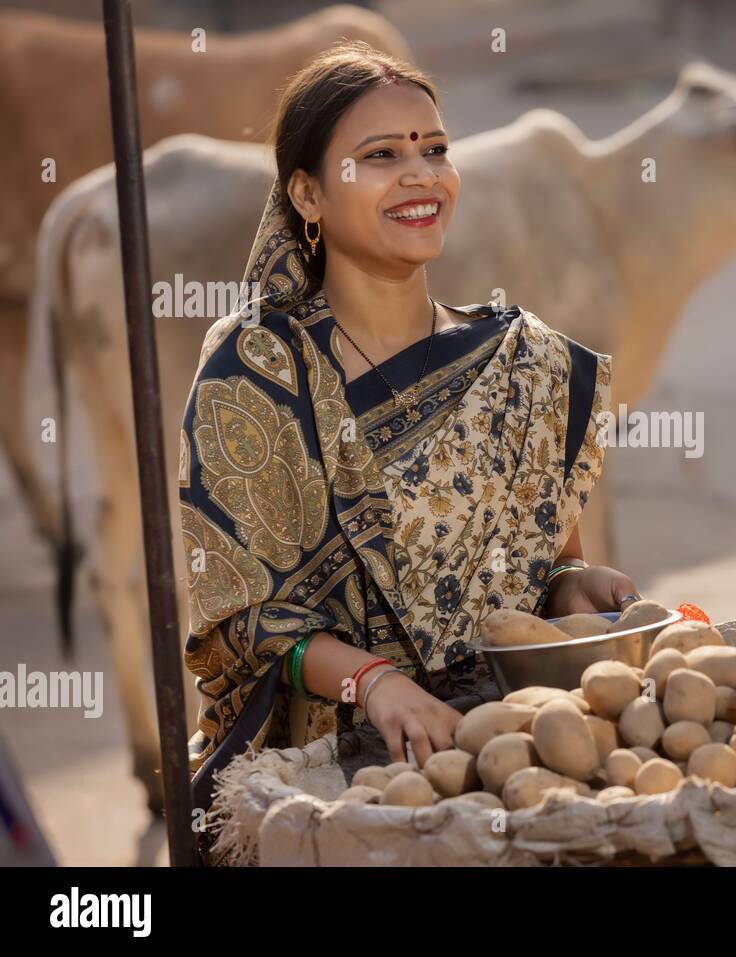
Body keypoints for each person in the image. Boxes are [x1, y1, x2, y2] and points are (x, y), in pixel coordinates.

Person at [179, 41, 639, 811]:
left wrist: (573, 587)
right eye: (382, 155)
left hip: (513, 759)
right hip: (326, 782)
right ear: (309, 194)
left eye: (435, 149)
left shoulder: (521, 362)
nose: (422, 174)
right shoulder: (257, 372)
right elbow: (240, 620)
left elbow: (555, 565)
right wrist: (375, 681)